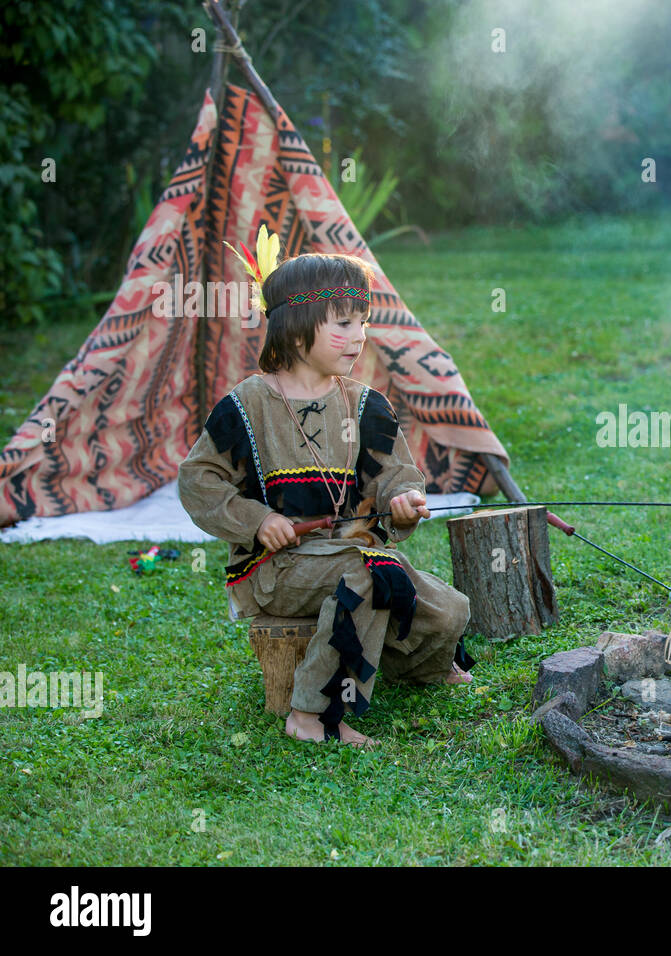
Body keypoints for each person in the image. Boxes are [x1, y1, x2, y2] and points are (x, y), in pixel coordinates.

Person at [179, 245, 473, 747]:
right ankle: (312, 713)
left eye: (362, 322)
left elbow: (399, 475)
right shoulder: (248, 405)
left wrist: (405, 500)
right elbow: (197, 479)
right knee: (369, 573)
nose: (358, 337)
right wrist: (255, 520)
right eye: (342, 324)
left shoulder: (365, 406)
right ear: (295, 326)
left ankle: (421, 668)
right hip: (277, 569)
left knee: (451, 611)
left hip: (352, 550)